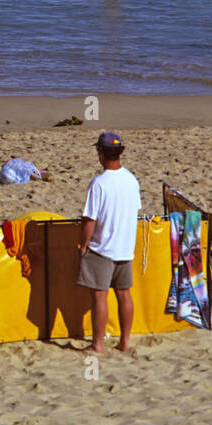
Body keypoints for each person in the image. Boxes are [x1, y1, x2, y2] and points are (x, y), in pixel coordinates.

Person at [77, 133, 141, 353]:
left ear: (101, 153)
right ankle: (124, 341)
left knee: (99, 297)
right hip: (125, 246)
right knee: (124, 294)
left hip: (103, 247)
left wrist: (83, 245)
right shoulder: (132, 180)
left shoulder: (99, 183)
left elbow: (90, 220)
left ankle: (98, 344)